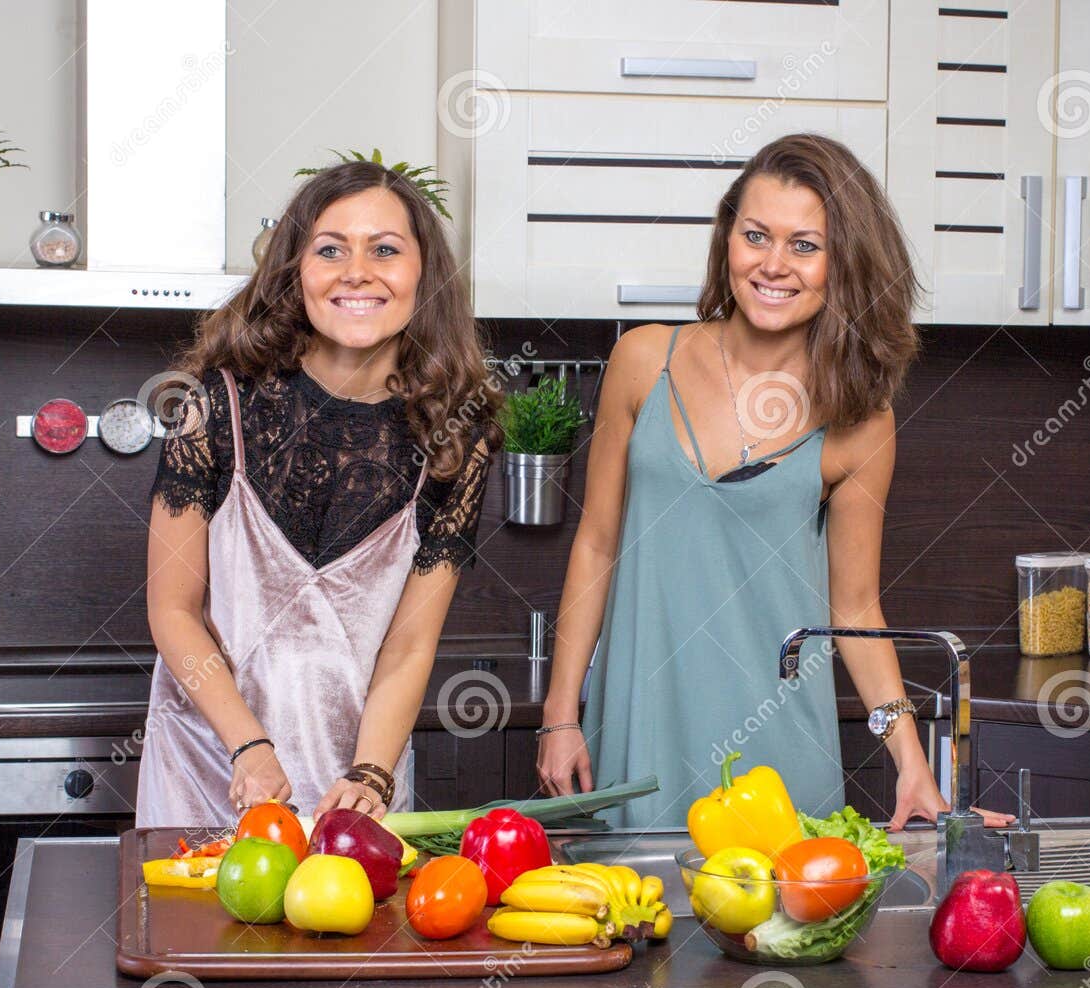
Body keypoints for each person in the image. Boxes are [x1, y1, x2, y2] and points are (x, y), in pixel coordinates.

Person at [537, 133, 1012, 832]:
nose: (773, 265)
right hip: (639, 734)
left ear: (842, 265)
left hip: (779, 760)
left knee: (774, 935)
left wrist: (911, 760)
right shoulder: (643, 362)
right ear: (727, 238)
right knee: (638, 929)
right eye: (756, 235)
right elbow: (596, 545)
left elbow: (854, 609)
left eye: (805, 245)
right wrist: (558, 715)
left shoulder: (860, 420)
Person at [136, 160, 498, 828]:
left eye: (385, 249)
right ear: (295, 270)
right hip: (209, 764)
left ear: (424, 273)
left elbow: (409, 646)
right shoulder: (215, 405)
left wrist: (370, 775)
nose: (356, 271)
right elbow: (173, 610)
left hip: (356, 784)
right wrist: (249, 746)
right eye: (330, 249)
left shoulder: (455, 440)